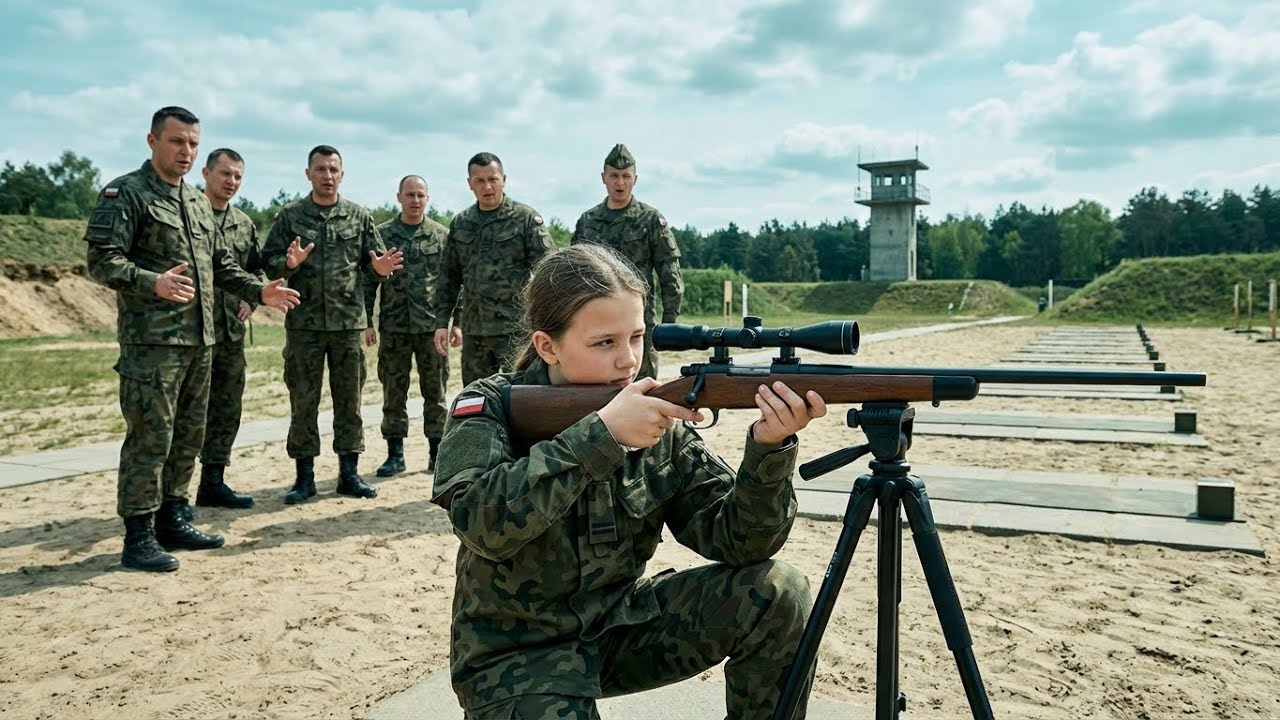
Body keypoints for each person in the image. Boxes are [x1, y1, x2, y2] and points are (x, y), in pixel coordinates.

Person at [431, 244, 822, 719]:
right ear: (546, 345)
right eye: (605, 342)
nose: (628, 361)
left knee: (778, 592)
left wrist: (770, 447)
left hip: (620, 628)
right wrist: (602, 436)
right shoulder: (488, 406)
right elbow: (481, 520)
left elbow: (740, 543)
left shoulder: (653, 414)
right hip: (515, 655)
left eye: (636, 337)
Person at [84, 106, 300, 573]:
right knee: (151, 438)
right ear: (152, 141)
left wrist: (259, 291)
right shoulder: (127, 193)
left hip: (202, 341)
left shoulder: (197, 203)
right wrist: (151, 281)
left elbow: (221, 265)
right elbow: (101, 260)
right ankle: (138, 535)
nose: (185, 151)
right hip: (153, 344)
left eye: (193, 144)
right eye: (177, 141)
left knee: (187, 436)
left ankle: (172, 518)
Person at [261, 145, 403, 504]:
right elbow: (269, 264)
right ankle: (304, 477)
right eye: (320, 169)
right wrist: (288, 264)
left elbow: (375, 264)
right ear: (308, 173)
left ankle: (349, 474)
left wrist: (380, 271)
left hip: (347, 325)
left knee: (349, 401)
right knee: (303, 401)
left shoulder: (359, 216)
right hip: (304, 325)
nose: (327, 176)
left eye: (333, 170)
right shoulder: (291, 216)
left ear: (342, 174)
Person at [433, 152, 554, 387]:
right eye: (479, 181)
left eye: (493, 179)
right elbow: (448, 277)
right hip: (475, 332)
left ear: (504, 179)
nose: (487, 186)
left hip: (516, 330)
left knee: (524, 393)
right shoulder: (461, 223)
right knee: (477, 397)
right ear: (470, 184)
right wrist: (441, 323)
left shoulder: (525, 219)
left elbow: (548, 270)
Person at [364, 175, 457, 476]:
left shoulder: (442, 236)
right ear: (398, 197)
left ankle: (436, 452)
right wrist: (367, 321)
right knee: (393, 391)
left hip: (432, 328)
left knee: (436, 393)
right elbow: (368, 280)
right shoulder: (382, 235)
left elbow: (454, 282)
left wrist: (456, 322)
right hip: (394, 327)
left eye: (420, 195)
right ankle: (395, 455)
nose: (415, 200)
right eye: (409, 195)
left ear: (427, 198)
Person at [572, 143, 684, 380]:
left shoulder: (650, 219)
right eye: (614, 176)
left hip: (638, 322)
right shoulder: (588, 221)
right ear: (603, 178)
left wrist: (669, 324)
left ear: (635, 179)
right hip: (595, 321)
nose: (620, 183)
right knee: (597, 385)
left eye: (626, 176)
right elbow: (572, 274)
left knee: (642, 384)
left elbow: (669, 274)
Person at [195, 148, 261, 509]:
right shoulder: (186, 214)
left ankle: (213, 480)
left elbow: (254, 271)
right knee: (185, 411)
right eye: (225, 174)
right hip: (188, 332)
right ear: (206, 173)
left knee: (225, 408)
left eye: (237, 176)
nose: (231, 182)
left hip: (230, 335)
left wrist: (250, 299)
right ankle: (168, 493)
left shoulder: (244, 224)